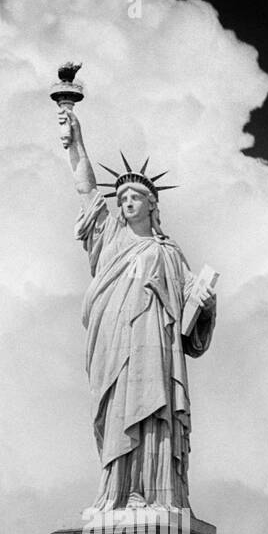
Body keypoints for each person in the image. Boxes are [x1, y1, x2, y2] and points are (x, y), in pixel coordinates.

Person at [58, 103, 216, 512]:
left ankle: (158, 495)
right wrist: (76, 143)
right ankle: (117, 493)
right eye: (123, 197)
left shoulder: (168, 253)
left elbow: (189, 317)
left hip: (156, 353)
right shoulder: (110, 239)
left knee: (155, 415)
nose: (126, 203)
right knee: (117, 415)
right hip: (115, 348)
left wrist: (205, 302)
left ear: (151, 206)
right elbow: (87, 191)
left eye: (135, 198)